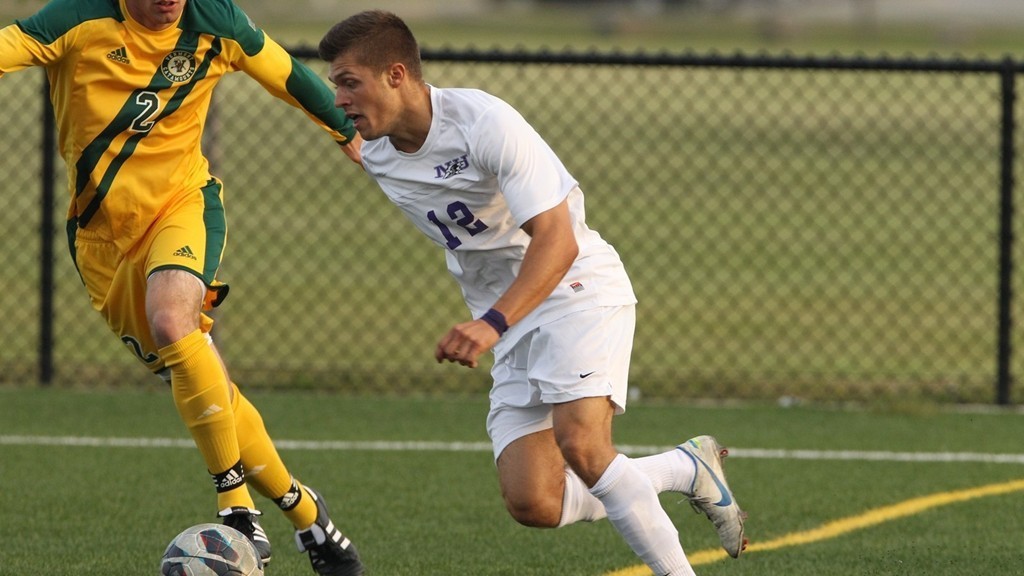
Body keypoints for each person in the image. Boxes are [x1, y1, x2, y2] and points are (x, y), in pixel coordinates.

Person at [318, 10, 747, 576]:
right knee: (534, 501)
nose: (340, 99)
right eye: (334, 86)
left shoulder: (484, 123)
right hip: (509, 318)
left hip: (574, 289)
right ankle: (684, 469)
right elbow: (291, 82)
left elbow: (557, 240)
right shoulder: (375, 150)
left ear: (396, 75)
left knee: (583, 445)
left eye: (350, 82)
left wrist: (490, 324)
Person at [0, 1, 364, 574]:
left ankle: (236, 506)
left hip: (182, 206)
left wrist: (350, 131)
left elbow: (286, 73)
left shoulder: (215, 21)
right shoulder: (78, 19)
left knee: (173, 321)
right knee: (202, 379)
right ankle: (307, 514)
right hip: (100, 242)